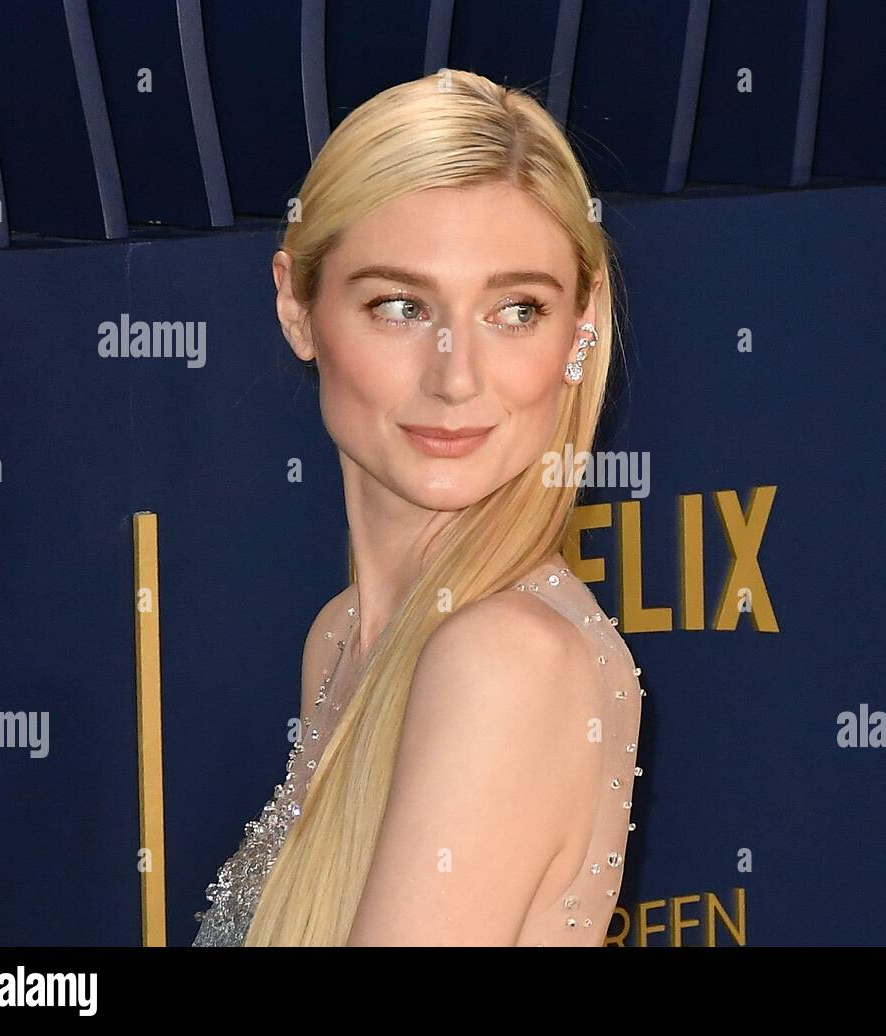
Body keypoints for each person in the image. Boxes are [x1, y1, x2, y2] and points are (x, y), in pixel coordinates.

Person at [191, 68, 644, 947]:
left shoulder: (501, 660)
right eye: (400, 306)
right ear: (297, 305)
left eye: (517, 310)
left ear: (581, 324)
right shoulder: (344, 633)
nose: (456, 376)